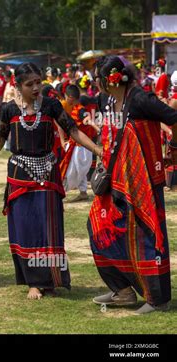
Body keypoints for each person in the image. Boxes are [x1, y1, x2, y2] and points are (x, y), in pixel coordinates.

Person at [0, 62, 102, 300]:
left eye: (37, 82)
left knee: (49, 227)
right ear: (17, 85)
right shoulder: (9, 109)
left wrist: (98, 150)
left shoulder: (51, 105)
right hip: (19, 174)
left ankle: (50, 278)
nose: (35, 88)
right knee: (26, 228)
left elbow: (72, 131)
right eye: (29, 84)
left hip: (48, 173)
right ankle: (33, 281)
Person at [89, 56, 177, 315]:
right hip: (114, 180)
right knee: (99, 227)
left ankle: (158, 299)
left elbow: (174, 118)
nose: (95, 83)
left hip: (144, 182)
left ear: (110, 79)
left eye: (97, 78)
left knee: (147, 236)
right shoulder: (105, 101)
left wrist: (173, 148)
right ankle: (123, 290)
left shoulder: (139, 99)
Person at [60, 84, 100, 202]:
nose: (65, 99)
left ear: (71, 97)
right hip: (77, 146)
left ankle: (61, 191)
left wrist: (97, 128)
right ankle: (83, 192)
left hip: (81, 147)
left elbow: (87, 119)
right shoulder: (76, 108)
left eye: (66, 97)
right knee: (78, 171)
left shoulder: (80, 109)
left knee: (73, 170)